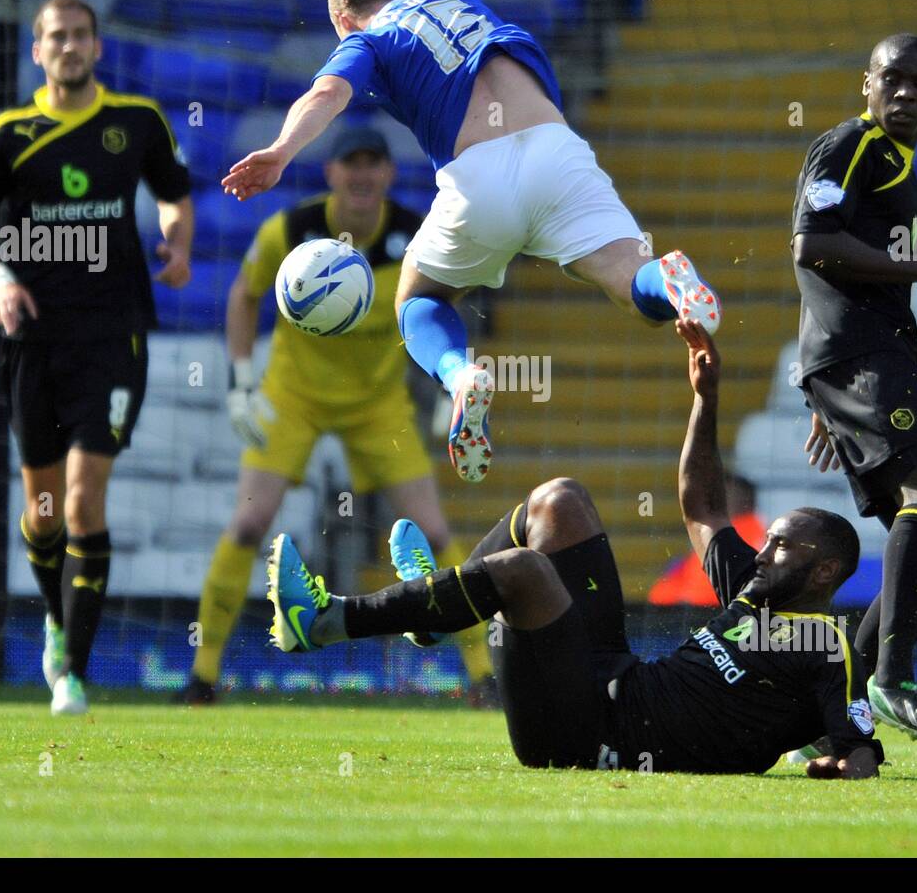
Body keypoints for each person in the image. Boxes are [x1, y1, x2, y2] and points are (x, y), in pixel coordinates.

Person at [262, 320, 882, 779]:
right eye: (767, 538)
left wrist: (839, 762)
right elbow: (701, 506)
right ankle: (431, 621)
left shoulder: (824, 646)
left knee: (526, 571)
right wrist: (706, 397)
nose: (763, 548)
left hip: (588, 738)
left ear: (825, 569)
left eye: (780, 545)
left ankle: (325, 621)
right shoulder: (752, 585)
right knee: (559, 501)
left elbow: (860, 750)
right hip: (609, 675)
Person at [221, 0, 723, 484]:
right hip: (557, 149)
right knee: (631, 285)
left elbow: (328, 93)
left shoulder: (365, 40)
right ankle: (666, 277)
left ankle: (460, 377)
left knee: (418, 300)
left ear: (342, 20)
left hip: (481, 175)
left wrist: (280, 150)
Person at [178, 127, 494, 706]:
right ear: (331, 174)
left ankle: (482, 678)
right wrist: (241, 384)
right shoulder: (291, 234)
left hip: (378, 403)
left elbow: (443, 306)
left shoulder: (416, 239)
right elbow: (245, 295)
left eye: (374, 164)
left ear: (389, 175)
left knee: (438, 531)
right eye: (352, 163)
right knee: (249, 525)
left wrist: (448, 385)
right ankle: (202, 678)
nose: (363, 175)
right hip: (294, 396)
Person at [0, 0, 193, 715]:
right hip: (33, 339)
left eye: (81, 35)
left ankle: (72, 676)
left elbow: (175, 195)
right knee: (45, 511)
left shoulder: (136, 123)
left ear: (98, 46)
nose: (70, 47)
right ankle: (57, 621)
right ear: (38, 51)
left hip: (113, 335)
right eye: (57, 37)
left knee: (85, 500)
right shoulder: (9, 133)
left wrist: (176, 243)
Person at [790, 33, 917, 749]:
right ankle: (892, 676)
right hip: (860, 353)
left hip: (866, 357)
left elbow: (831, 264)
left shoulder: (896, 163)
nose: (904, 94)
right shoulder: (851, 144)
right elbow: (810, 245)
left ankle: (838, 716)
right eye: (892, 79)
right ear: (865, 84)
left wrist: (825, 388)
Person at [647, 473, 766, 606]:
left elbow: (707, 595)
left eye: (720, 494)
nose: (711, 500)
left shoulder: (738, 535)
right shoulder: (723, 532)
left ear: (745, 501)